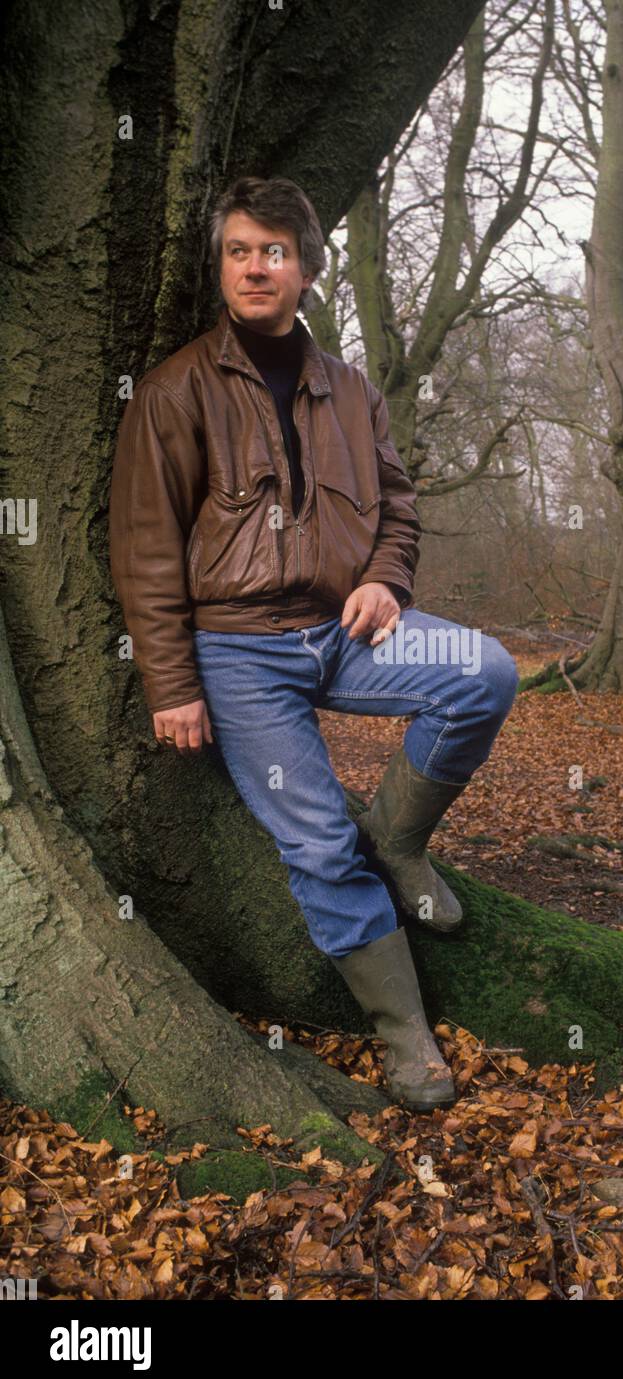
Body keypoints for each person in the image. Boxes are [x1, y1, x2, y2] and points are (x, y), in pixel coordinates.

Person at [108, 175, 519, 1111]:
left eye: (276, 251)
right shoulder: (174, 391)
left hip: (347, 629)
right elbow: (142, 548)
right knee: (319, 844)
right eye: (240, 251)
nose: (257, 267)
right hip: (239, 653)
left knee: (484, 673)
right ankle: (402, 1033)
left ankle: (402, 842)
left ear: (306, 268)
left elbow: (399, 508)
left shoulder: (351, 391)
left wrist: (386, 579)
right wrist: (171, 682)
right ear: (221, 269)